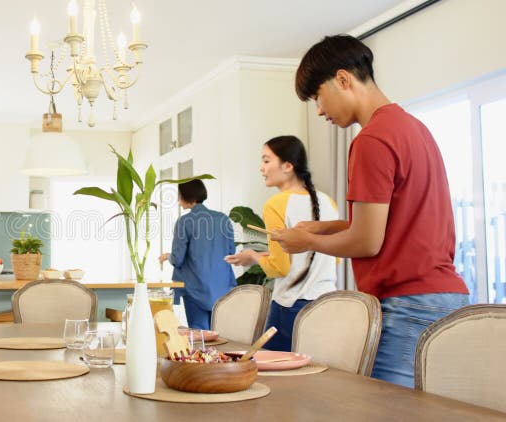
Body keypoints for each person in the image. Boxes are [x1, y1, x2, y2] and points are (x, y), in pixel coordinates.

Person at [271, 35, 469, 387]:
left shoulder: (372, 140)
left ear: (343, 79)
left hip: (407, 304)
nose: (319, 110)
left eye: (318, 97)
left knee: (381, 410)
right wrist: (323, 228)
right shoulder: (414, 128)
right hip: (445, 298)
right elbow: (392, 224)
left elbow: (366, 241)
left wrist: (307, 242)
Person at [225, 135, 338, 352]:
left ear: (287, 166)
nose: (261, 168)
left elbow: (280, 267)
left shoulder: (276, 204)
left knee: (274, 377)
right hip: (327, 305)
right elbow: (335, 257)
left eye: (266, 161)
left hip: (291, 307)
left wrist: (255, 256)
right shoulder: (328, 202)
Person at [158, 180, 236, 329]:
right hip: (222, 288)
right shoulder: (223, 219)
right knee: (220, 335)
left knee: (200, 336)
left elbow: (178, 259)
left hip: (195, 288)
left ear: (186, 196)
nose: (178, 200)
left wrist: (169, 256)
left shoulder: (185, 221)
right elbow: (231, 252)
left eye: (179, 196)